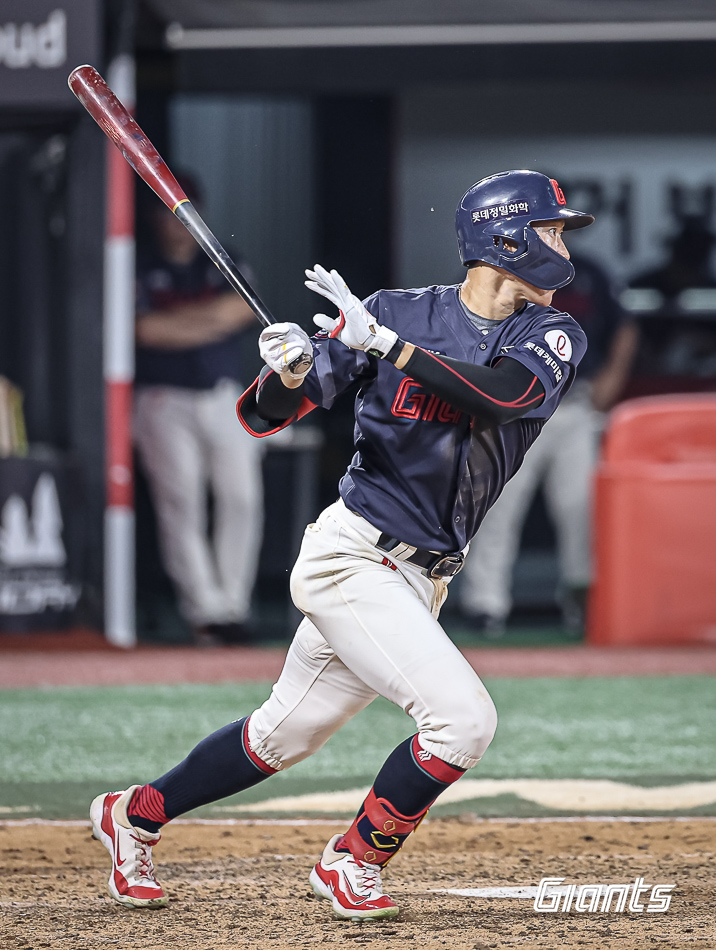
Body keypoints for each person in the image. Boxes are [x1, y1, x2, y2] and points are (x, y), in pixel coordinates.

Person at [90, 170, 592, 920]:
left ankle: (134, 814)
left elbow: (500, 395)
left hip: (422, 579)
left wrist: (384, 346)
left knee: (278, 737)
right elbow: (266, 416)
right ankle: (354, 859)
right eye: (551, 229)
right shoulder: (392, 312)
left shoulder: (548, 333)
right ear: (507, 238)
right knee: (463, 721)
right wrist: (287, 367)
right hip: (352, 556)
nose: (561, 243)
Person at [459, 252, 638, 634]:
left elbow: (624, 325)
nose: (554, 238)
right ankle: (484, 606)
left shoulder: (589, 272)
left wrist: (614, 375)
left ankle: (585, 605)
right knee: (497, 506)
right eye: (546, 228)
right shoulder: (497, 270)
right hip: (514, 410)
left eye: (558, 229)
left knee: (581, 509)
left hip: (574, 406)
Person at [133, 175, 263, 644]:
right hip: (161, 395)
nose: (177, 224)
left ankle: (233, 605)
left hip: (223, 393)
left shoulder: (222, 261)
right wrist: (209, 321)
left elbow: (243, 313)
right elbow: (145, 332)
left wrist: (181, 323)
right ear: (155, 217)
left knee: (241, 497)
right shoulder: (138, 263)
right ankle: (205, 610)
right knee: (181, 502)